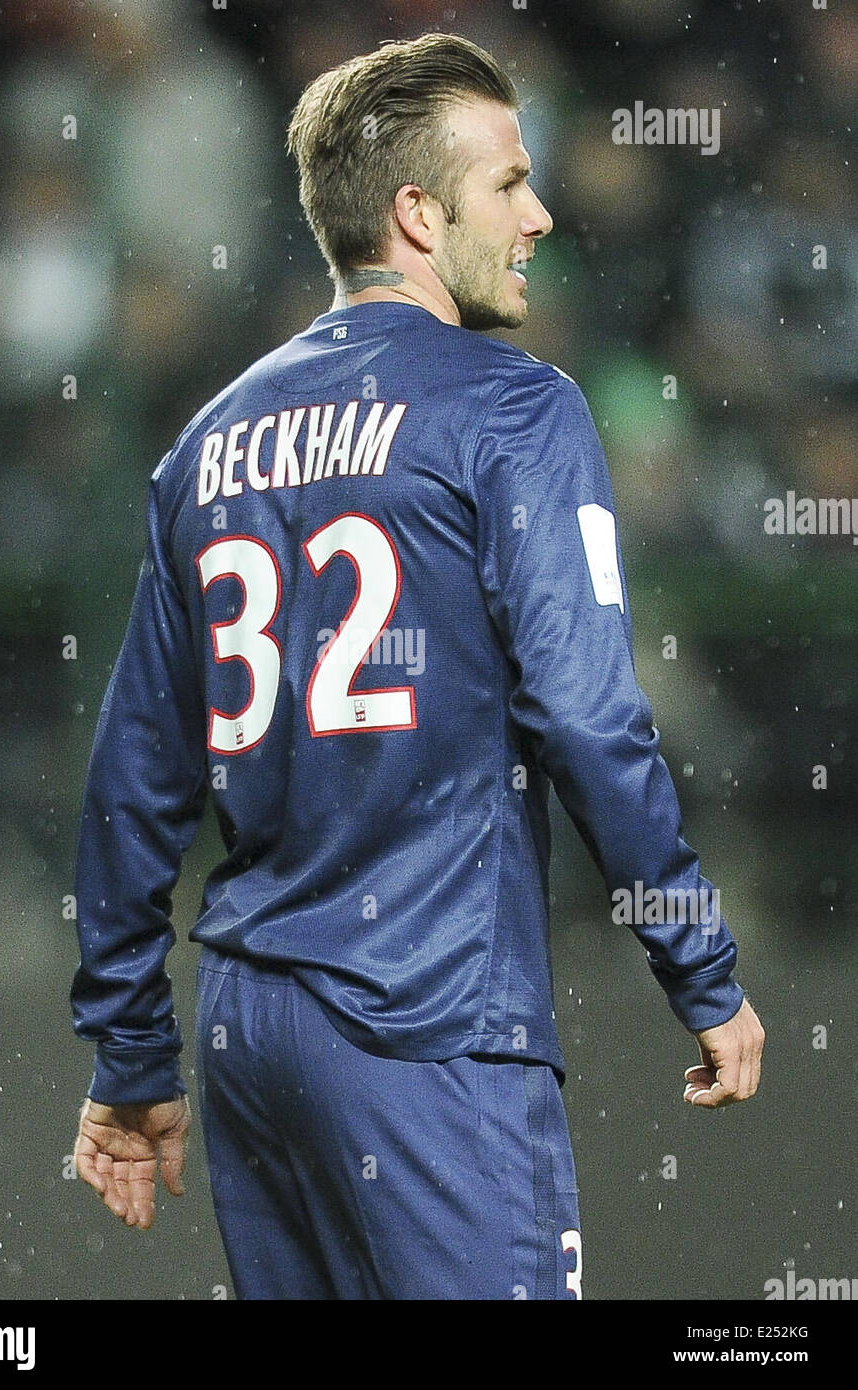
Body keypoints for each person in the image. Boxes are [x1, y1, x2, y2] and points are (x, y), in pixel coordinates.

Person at [71, 32, 764, 1300]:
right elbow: (587, 716)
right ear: (413, 211)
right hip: (431, 1019)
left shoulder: (207, 445)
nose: (539, 213)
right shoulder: (514, 408)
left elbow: (133, 780)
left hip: (247, 1033)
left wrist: (128, 1057)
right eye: (505, 181)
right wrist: (697, 960)